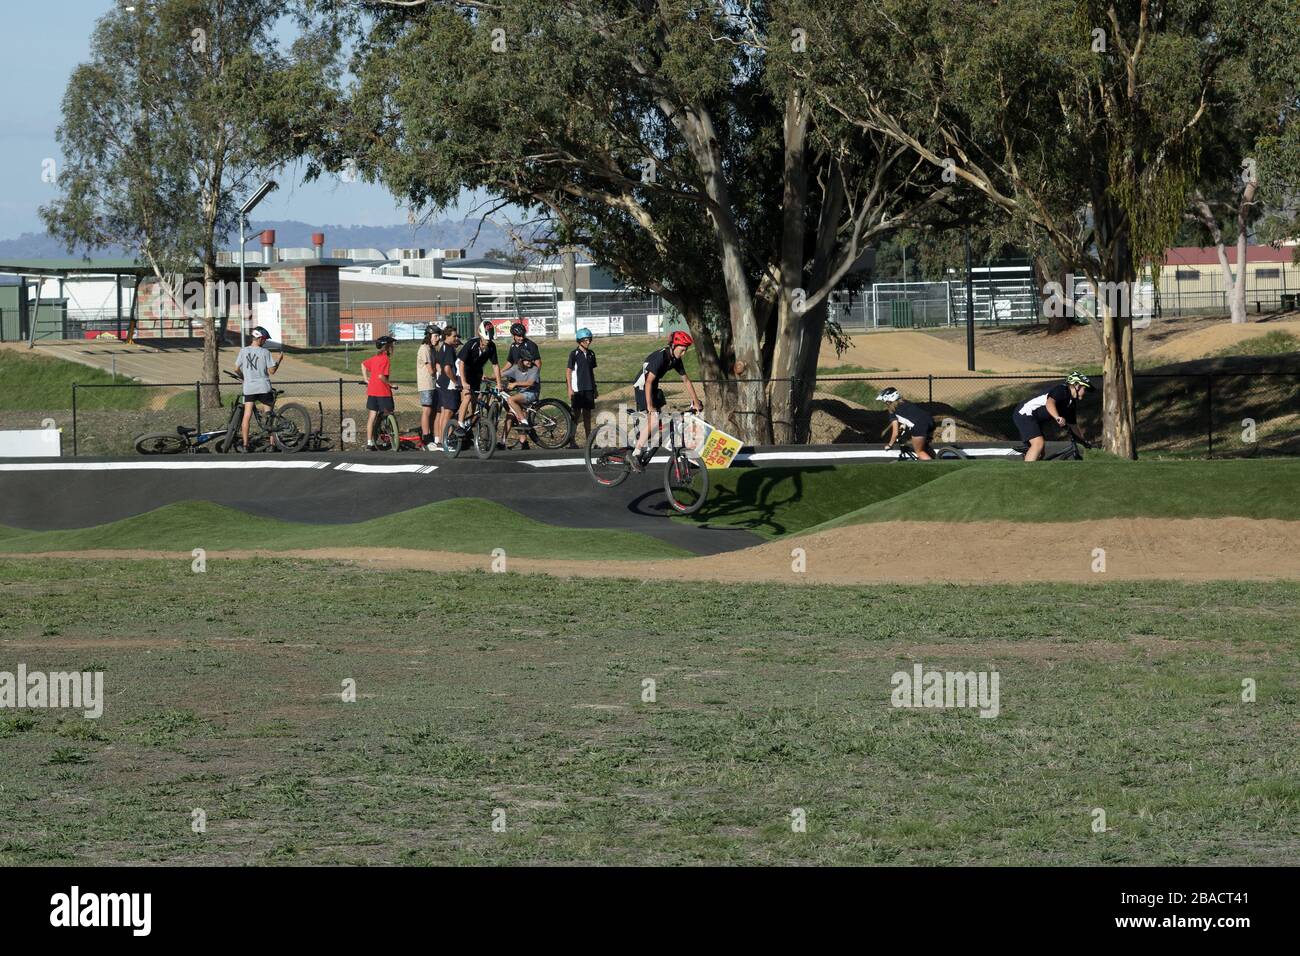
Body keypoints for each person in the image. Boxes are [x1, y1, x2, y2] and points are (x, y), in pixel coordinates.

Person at [630, 331, 702, 472]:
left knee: (664, 418)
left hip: (654, 387)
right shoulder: (661, 357)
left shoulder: (675, 359)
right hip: (642, 386)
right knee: (654, 419)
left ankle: (647, 437)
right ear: (674, 345)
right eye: (682, 349)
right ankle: (636, 452)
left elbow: (686, 381)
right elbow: (648, 382)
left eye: (686, 350)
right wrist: (650, 407)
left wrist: (696, 402)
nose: (684, 353)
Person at [1013, 371, 1093, 461]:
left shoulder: (1070, 403)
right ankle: (1026, 473)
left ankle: (1033, 467)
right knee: (1038, 443)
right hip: (1025, 413)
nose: (1085, 392)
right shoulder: (1062, 390)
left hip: (1035, 419)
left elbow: (1073, 426)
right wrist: (1057, 417)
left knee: (1040, 453)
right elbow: (1050, 403)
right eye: (1085, 389)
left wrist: (1084, 442)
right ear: (1077, 386)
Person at [231, 325, 283, 452]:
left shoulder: (243, 351)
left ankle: (245, 445)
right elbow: (272, 371)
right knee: (269, 416)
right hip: (263, 387)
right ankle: (271, 445)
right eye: (264, 339)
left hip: (249, 388)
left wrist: (244, 377)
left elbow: (236, 368)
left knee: (247, 415)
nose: (265, 342)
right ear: (260, 338)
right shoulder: (265, 352)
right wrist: (279, 360)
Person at [453, 320, 504, 434]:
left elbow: (495, 365)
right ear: (480, 334)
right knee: (467, 397)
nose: (488, 342)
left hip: (476, 372)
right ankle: (460, 424)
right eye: (486, 339)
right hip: (463, 370)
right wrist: (464, 382)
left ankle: (468, 425)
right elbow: (461, 363)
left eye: (490, 340)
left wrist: (499, 384)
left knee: (474, 401)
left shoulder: (491, 346)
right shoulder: (472, 344)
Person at [877, 387, 936, 460]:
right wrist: (903, 425)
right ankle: (936, 459)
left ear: (888, 401)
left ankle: (934, 466)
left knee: (919, 451)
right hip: (929, 420)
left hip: (919, 426)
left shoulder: (892, 411)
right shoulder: (905, 402)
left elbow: (895, 433)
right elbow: (910, 415)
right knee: (925, 446)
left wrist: (890, 444)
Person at [361, 335, 398, 450]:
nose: (392, 348)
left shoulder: (374, 358)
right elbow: (381, 376)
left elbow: (363, 364)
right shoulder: (385, 359)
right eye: (391, 345)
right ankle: (389, 438)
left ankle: (369, 442)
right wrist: (391, 385)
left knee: (372, 416)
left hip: (372, 391)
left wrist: (365, 379)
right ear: (387, 347)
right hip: (383, 392)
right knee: (389, 413)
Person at [566, 327, 598, 448]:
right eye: (585, 340)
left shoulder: (591, 354)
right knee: (576, 416)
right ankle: (571, 440)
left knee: (587, 416)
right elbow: (568, 371)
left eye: (589, 339)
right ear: (579, 341)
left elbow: (591, 372)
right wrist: (569, 388)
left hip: (589, 388)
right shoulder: (574, 354)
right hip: (578, 390)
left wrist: (594, 388)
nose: (588, 342)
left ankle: (588, 441)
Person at [502, 357, 542, 449]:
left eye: (531, 360)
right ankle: (502, 442)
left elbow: (530, 383)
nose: (530, 362)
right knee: (510, 415)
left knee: (511, 400)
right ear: (521, 361)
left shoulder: (534, 369)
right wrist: (489, 377)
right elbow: (502, 374)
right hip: (521, 394)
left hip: (532, 393)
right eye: (527, 360)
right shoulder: (516, 368)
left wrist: (515, 384)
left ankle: (524, 422)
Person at [433, 324, 462, 446]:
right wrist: (455, 381)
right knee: (448, 413)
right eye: (454, 336)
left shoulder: (443, 347)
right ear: (447, 336)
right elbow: (446, 368)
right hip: (449, 386)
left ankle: (440, 440)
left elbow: (438, 364)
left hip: (442, 384)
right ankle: (444, 440)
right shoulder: (449, 349)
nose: (456, 338)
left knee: (444, 412)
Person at [416, 325, 442, 449]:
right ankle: (426, 437)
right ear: (429, 336)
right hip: (426, 384)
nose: (437, 339)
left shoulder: (432, 349)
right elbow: (431, 370)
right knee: (426, 411)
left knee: (432, 412)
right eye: (435, 336)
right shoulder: (424, 349)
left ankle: (431, 435)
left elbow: (437, 365)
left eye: (438, 336)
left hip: (433, 384)